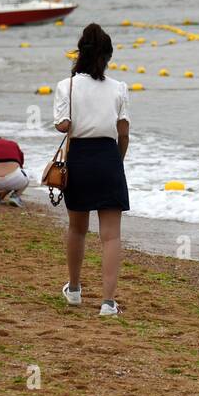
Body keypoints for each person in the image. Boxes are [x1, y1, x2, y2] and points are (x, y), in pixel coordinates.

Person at [54, 23, 130, 317]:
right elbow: (123, 133)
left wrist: (68, 123)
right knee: (110, 236)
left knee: (77, 229)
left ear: (79, 54)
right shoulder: (119, 88)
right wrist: (117, 162)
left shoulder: (67, 85)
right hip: (109, 158)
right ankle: (108, 303)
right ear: (107, 56)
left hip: (80, 158)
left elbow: (62, 125)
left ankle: (74, 289)